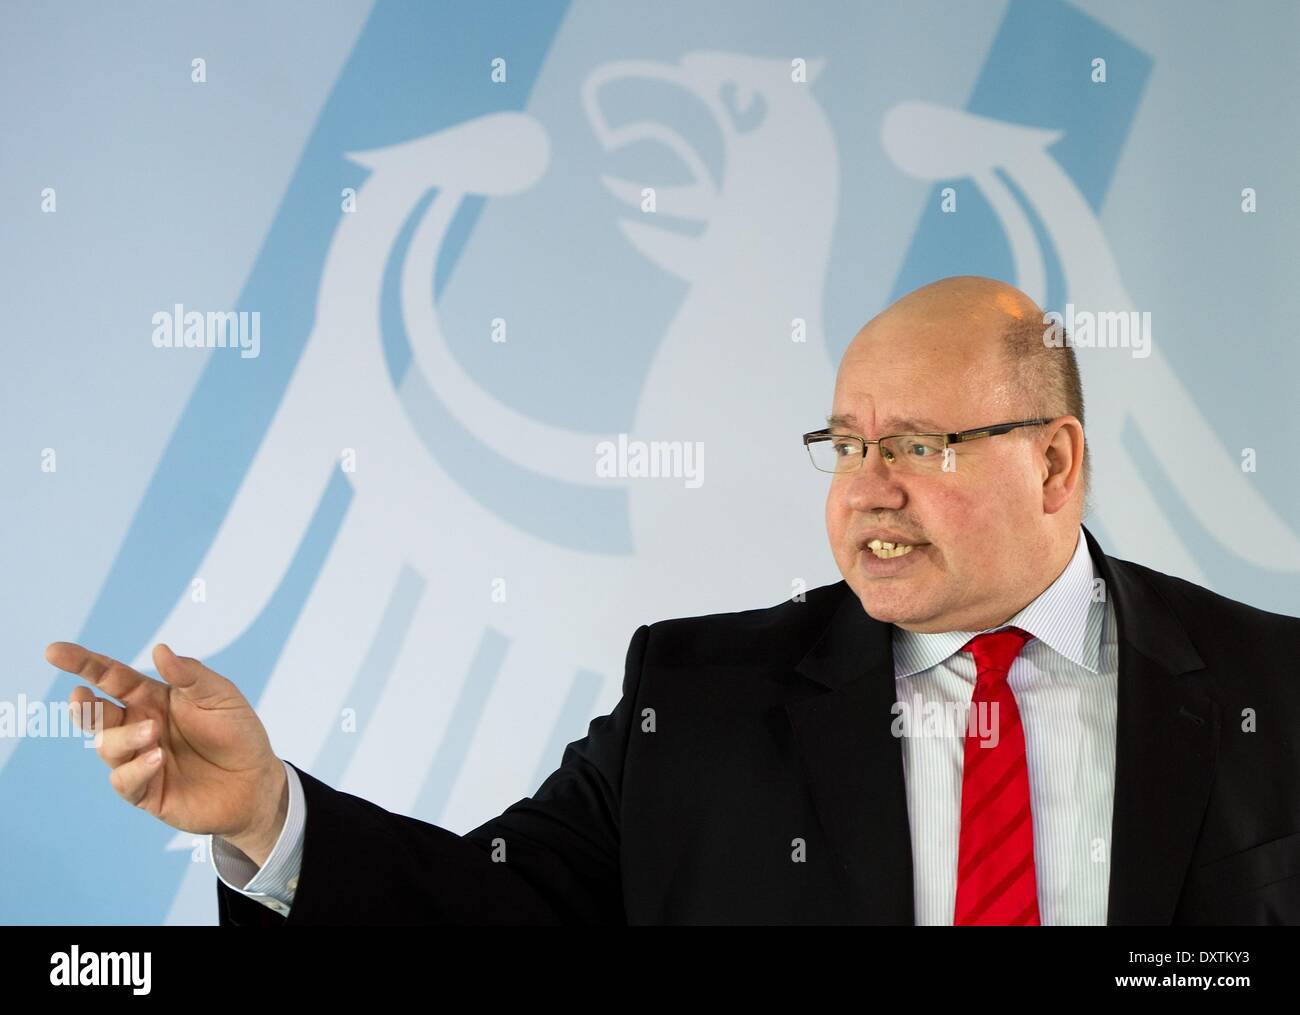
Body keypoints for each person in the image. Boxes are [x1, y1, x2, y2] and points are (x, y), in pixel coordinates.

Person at [48, 276, 1300, 925]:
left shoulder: (1272, 688)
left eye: (917, 446)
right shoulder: (698, 704)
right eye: (844, 443)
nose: (866, 488)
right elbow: (497, 909)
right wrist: (272, 815)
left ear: (1054, 462)